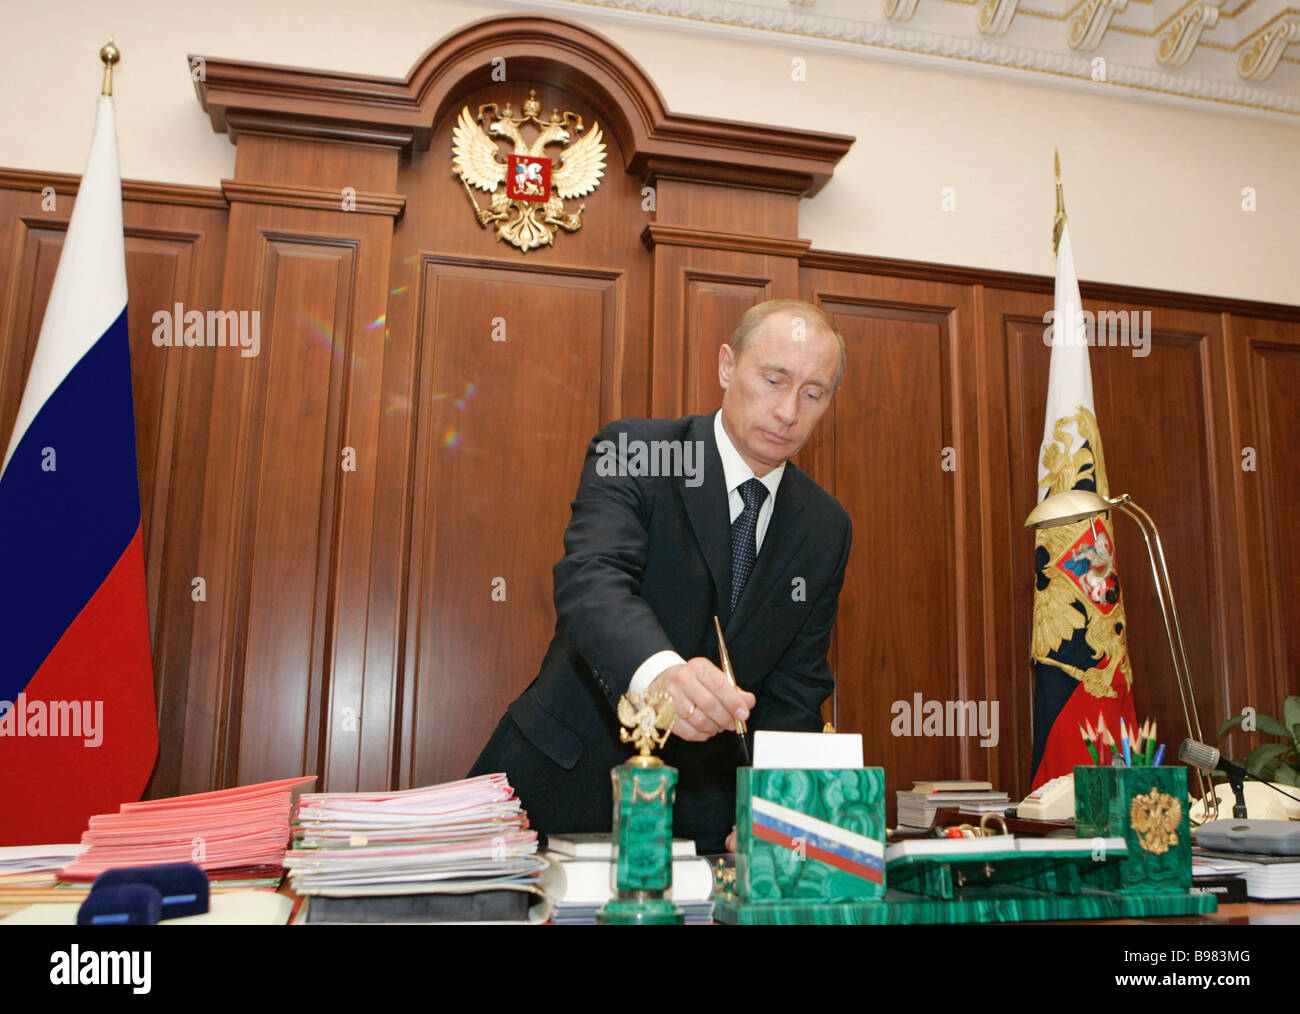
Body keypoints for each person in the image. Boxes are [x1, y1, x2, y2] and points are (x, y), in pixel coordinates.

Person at [469, 299, 852, 853]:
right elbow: (593, 580)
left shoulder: (825, 526)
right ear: (727, 365)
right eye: (774, 380)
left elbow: (798, 686)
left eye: (813, 394)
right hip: (560, 789)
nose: (789, 411)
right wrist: (661, 677)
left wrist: (775, 811)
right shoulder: (639, 452)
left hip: (702, 822)